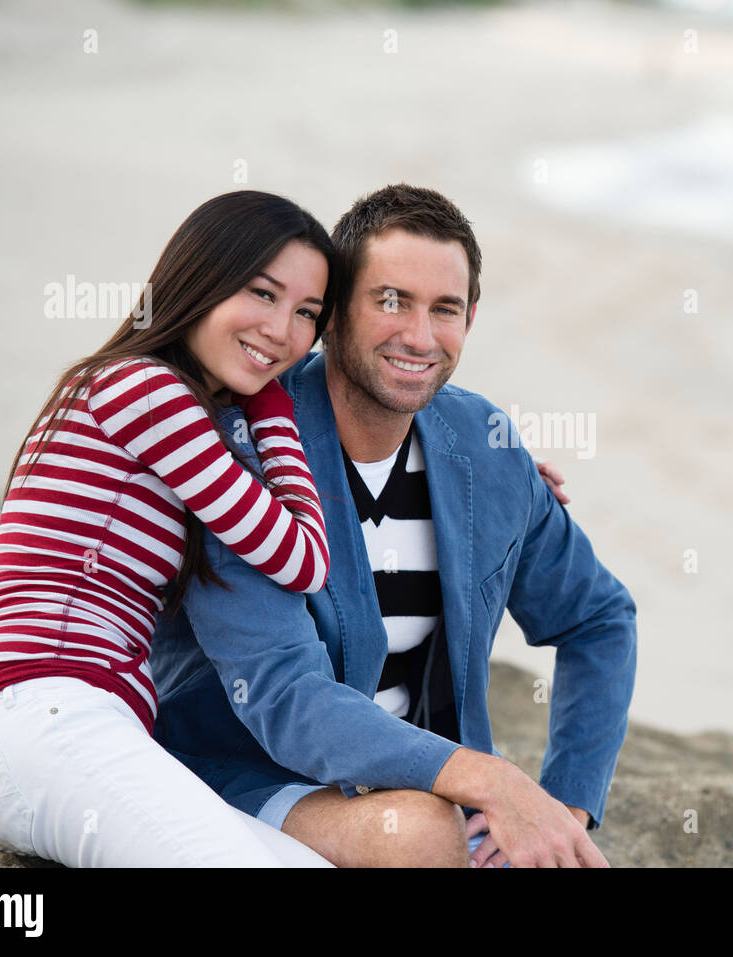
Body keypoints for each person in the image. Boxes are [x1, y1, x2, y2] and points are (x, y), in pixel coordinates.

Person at [152, 183, 637, 867]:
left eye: (444, 309)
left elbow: (599, 619)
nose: (418, 335)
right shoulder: (242, 448)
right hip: (247, 775)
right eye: (390, 301)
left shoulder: (485, 446)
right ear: (334, 313)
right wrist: (492, 777)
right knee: (416, 834)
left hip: (431, 788)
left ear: (470, 317)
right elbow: (287, 698)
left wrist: (565, 803)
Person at [0, 190, 341, 867]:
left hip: (94, 729)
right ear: (200, 278)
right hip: (40, 716)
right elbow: (303, 556)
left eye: (307, 313)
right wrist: (271, 398)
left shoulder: (163, 400)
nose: (283, 330)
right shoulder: (146, 390)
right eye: (263, 293)